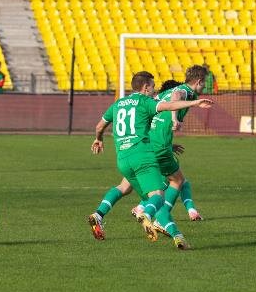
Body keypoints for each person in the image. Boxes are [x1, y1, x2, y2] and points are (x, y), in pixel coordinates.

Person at [88, 71, 213, 249]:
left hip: (123, 159)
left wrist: (98, 139)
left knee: (125, 187)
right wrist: (195, 102)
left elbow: (99, 126)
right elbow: (169, 105)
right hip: (143, 157)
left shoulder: (118, 104)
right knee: (158, 197)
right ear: (146, 87)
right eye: (153, 87)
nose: (154, 90)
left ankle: (99, 215)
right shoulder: (145, 102)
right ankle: (145, 214)